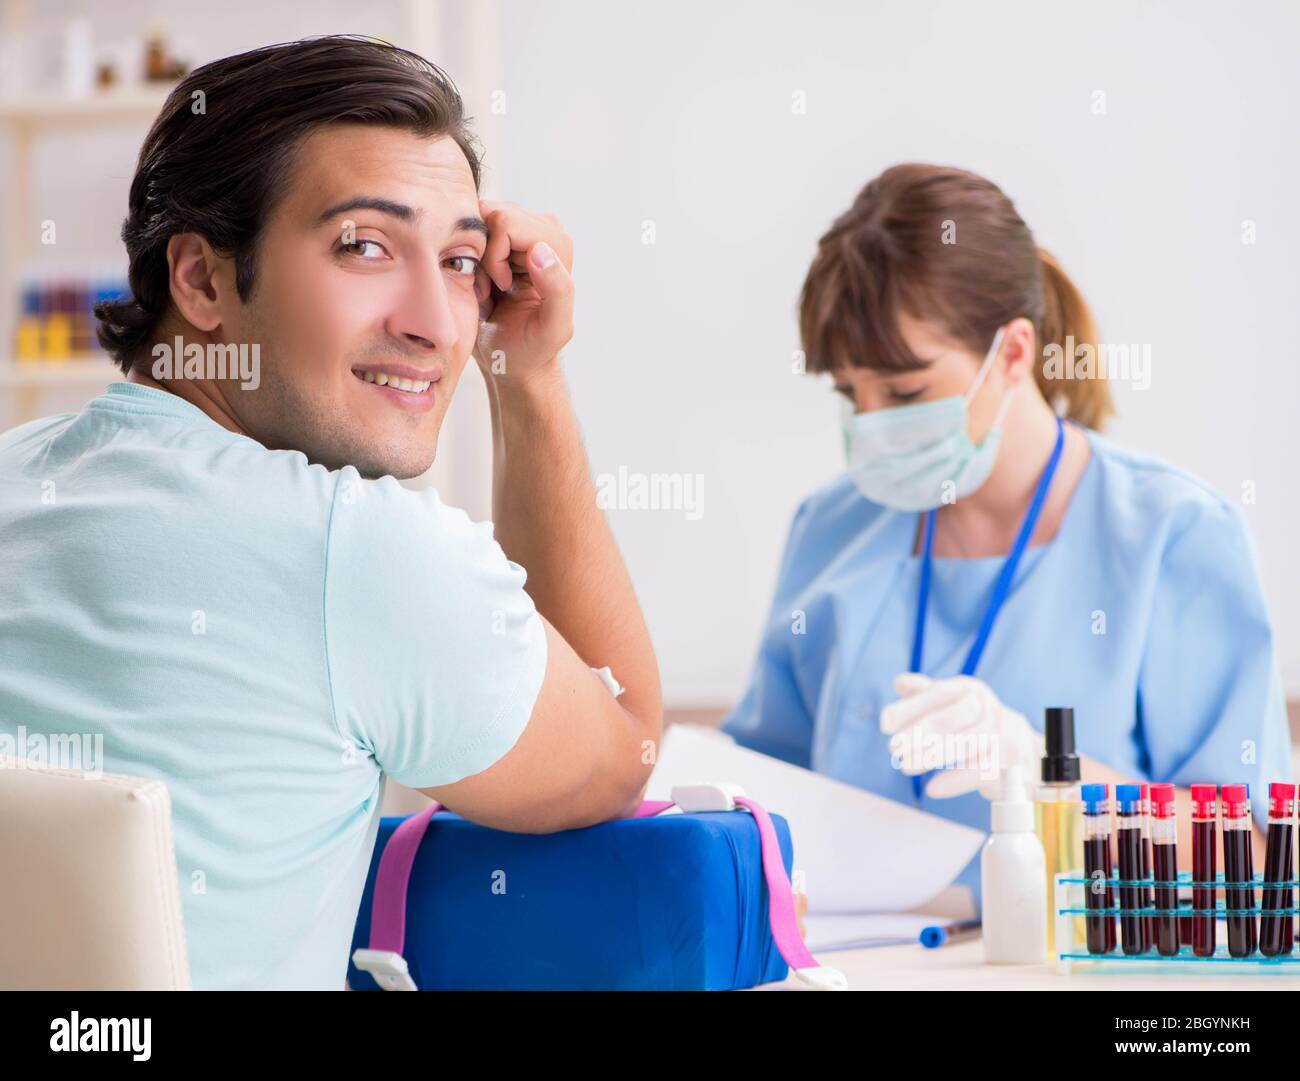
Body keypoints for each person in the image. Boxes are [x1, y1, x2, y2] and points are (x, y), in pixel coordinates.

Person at [0, 37, 663, 989]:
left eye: (462, 260)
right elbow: (624, 744)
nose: (436, 321)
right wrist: (531, 376)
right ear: (201, 280)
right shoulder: (355, 549)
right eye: (364, 245)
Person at [722, 163, 1290, 914]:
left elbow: (1252, 863)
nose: (869, 424)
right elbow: (761, 798)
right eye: (847, 391)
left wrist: (1049, 773)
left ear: (1014, 353)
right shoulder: (831, 528)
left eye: (903, 391)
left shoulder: (1173, 536)